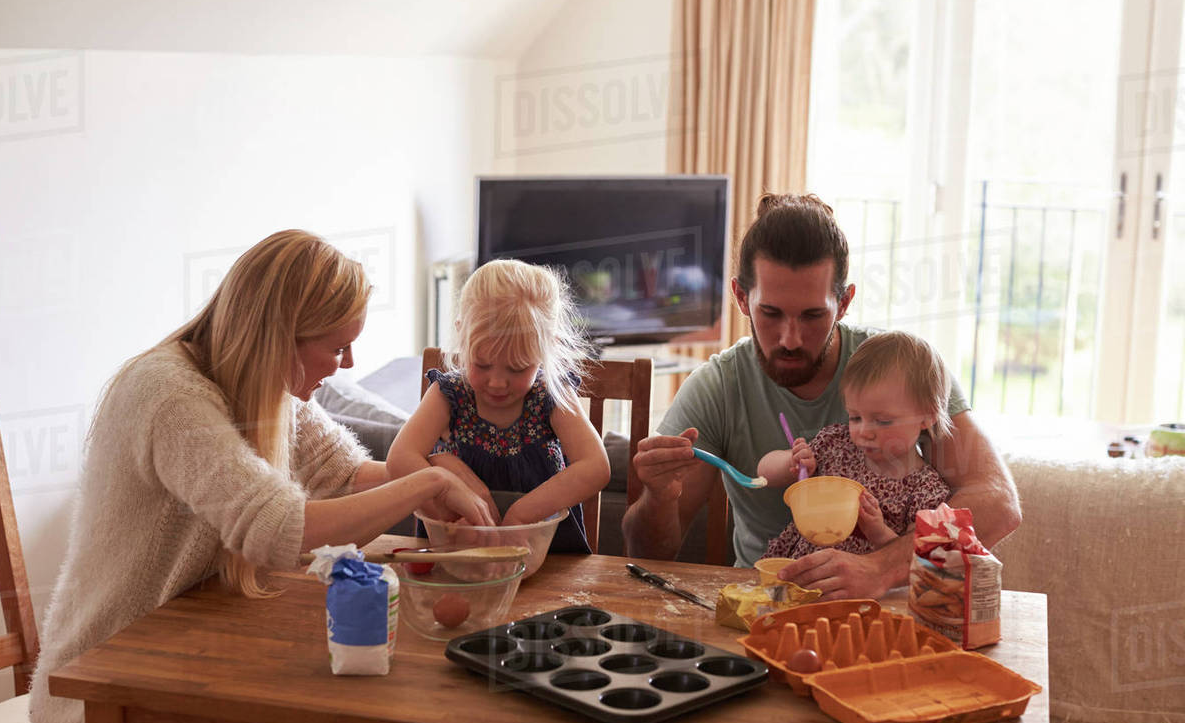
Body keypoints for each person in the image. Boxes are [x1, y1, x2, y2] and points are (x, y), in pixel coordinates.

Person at [28, 230, 493, 723]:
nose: (348, 363)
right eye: (337, 346)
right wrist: (423, 485)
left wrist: (430, 469)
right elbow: (278, 529)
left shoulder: (260, 380)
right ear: (280, 336)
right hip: (104, 708)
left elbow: (342, 475)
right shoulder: (169, 395)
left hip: (183, 662)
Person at [621, 193, 1020, 600]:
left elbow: (998, 504)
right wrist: (659, 497)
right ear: (742, 298)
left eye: (813, 315)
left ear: (844, 302)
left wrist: (881, 569)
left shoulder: (900, 367)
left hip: (885, 603)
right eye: (771, 313)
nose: (790, 339)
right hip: (763, 602)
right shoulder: (718, 386)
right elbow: (647, 554)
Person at [387, 259, 610, 553]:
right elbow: (399, 459)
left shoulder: (551, 393)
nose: (497, 383)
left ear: (547, 348)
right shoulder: (449, 392)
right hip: (459, 548)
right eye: (482, 364)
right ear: (461, 336)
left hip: (545, 552)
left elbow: (596, 467)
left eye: (517, 369)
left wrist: (522, 514)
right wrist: (449, 501)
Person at [759, 330, 953, 559]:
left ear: (927, 417)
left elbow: (917, 561)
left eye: (882, 421)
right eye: (855, 417)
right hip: (799, 575)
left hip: (861, 591)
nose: (863, 432)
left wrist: (878, 532)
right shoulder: (834, 445)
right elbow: (764, 473)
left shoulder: (925, 491)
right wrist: (791, 461)